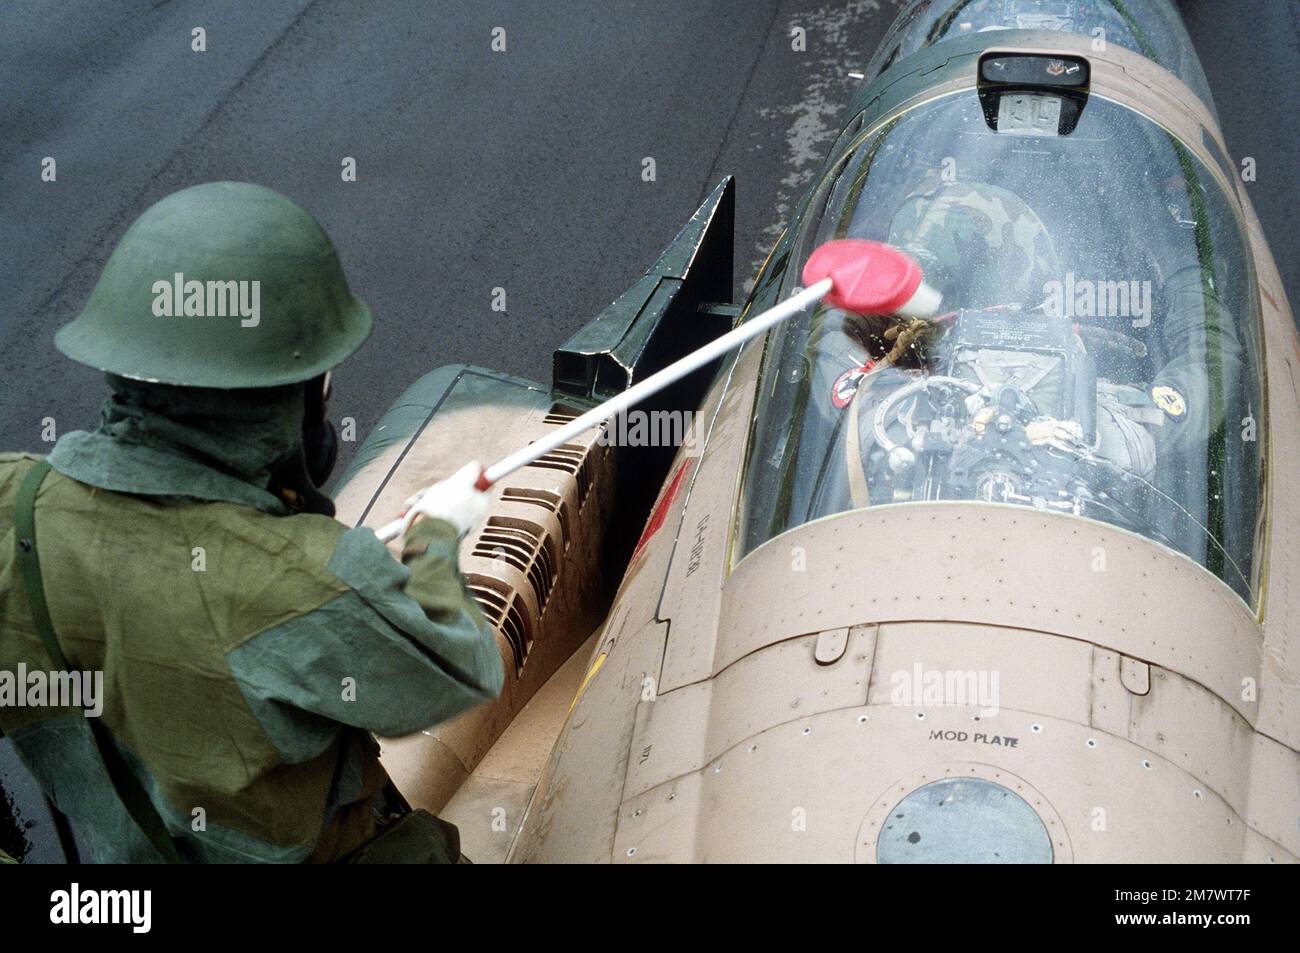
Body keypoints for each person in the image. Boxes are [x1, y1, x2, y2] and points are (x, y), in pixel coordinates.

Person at [0, 181, 503, 863]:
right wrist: (437, 535)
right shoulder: (306, 576)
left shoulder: (12, 501)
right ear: (296, 397)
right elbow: (461, 665)